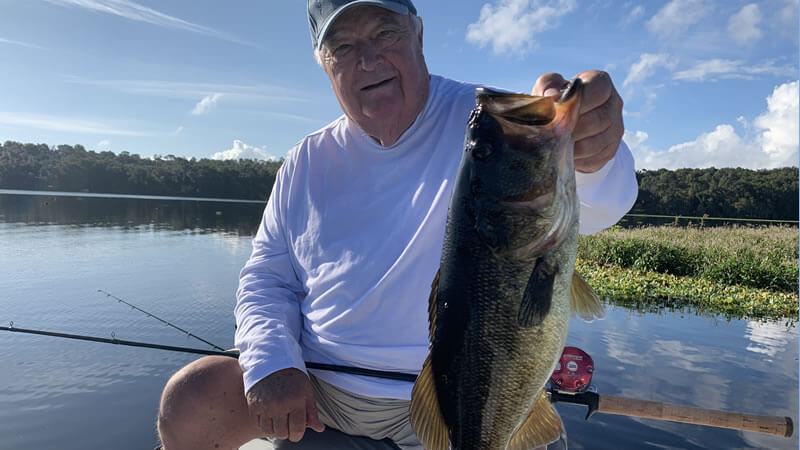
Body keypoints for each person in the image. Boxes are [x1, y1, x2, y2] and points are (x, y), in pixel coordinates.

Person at [156, 1, 638, 449]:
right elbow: (267, 277)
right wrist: (272, 363)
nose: (368, 60)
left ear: (419, 36)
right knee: (191, 400)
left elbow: (601, 202)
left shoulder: (493, 128)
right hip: (321, 392)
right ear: (325, 65)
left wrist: (595, 153)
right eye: (343, 46)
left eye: (385, 33)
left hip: (463, 392)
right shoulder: (306, 160)